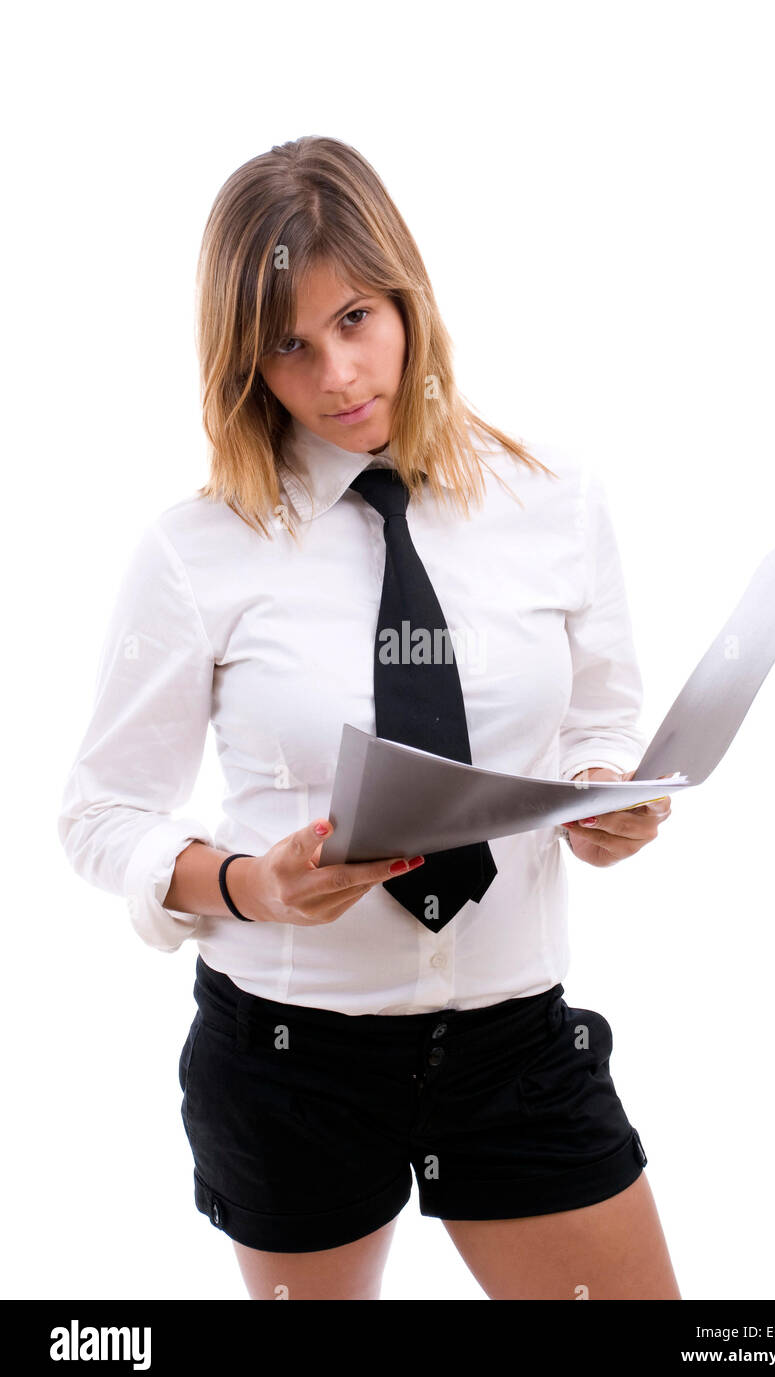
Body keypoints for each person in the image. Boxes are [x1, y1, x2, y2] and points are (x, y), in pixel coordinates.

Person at [57, 135, 679, 1301]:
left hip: (515, 1045)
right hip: (292, 1060)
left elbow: (602, 719)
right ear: (243, 365)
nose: (337, 375)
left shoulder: (552, 497)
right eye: (287, 347)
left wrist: (608, 801)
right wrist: (250, 885)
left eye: (354, 319)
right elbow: (100, 815)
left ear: (406, 296)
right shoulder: (197, 552)